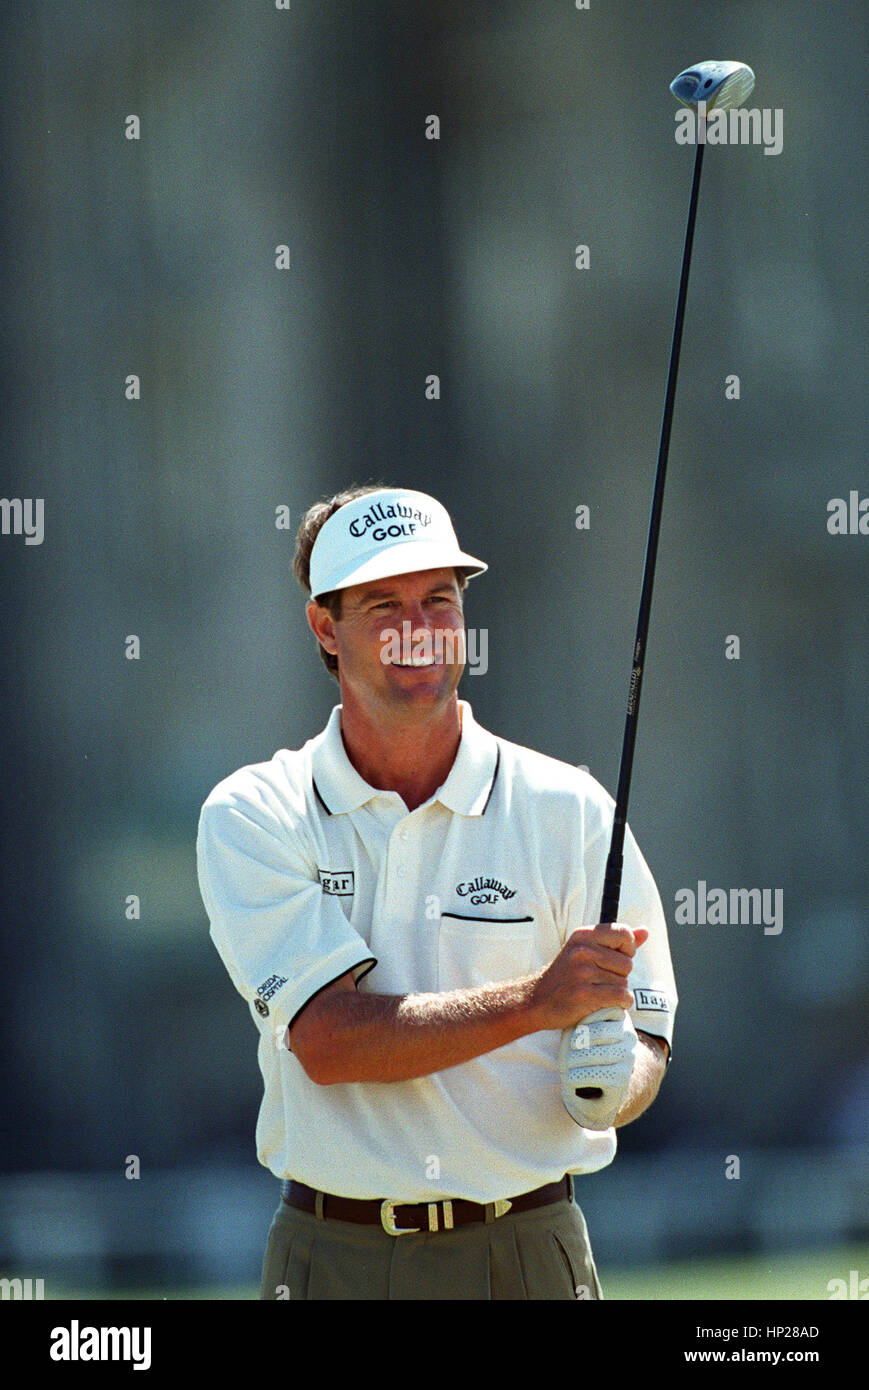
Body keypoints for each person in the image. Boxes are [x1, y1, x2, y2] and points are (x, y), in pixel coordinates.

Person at [196, 483, 677, 1301]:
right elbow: (330, 1043)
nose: (418, 630)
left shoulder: (572, 809)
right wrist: (538, 1003)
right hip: (334, 1256)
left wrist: (613, 1080)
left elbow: (647, 1031)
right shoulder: (254, 812)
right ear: (324, 627)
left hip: (530, 1250)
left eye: (439, 600)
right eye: (383, 604)